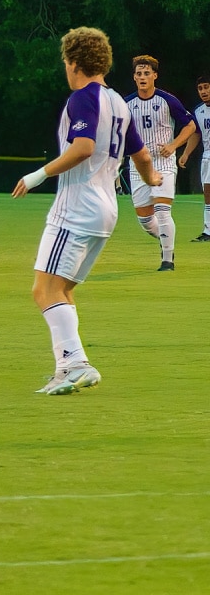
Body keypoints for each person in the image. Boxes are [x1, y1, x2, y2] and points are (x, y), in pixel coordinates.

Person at [13, 27, 161, 395]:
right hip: (106, 209)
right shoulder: (119, 102)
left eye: (65, 61)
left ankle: (78, 364)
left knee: (43, 290)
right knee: (62, 289)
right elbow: (141, 155)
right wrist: (152, 178)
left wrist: (37, 175)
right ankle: (66, 367)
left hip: (76, 207)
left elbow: (83, 147)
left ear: (74, 62)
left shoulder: (83, 97)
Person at [123, 54, 197, 270]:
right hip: (138, 165)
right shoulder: (126, 104)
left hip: (163, 163)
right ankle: (165, 239)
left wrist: (173, 145)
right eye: (139, 73)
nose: (142, 77)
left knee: (163, 211)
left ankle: (167, 259)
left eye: (146, 73)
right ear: (134, 77)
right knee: (145, 221)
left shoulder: (167, 100)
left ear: (155, 75)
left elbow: (190, 125)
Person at [178, 74, 210, 242]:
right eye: (200, 88)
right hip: (208, 156)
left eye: (206, 87)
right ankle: (208, 230)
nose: (203, 91)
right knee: (208, 194)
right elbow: (196, 133)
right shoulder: (198, 111)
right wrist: (186, 153)